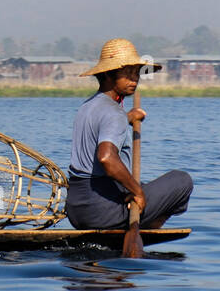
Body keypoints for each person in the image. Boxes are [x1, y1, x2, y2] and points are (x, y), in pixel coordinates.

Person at [65, 38, 193, 230]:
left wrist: (128, 117)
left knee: (138, 184)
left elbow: (105, 124)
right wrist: (138, 192)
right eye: (127, 74)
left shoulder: (88, 106)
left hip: (76, 210)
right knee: (182, 181)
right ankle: (146, 229)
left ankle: (137, 219)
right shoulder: (113, 112)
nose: (135, 79)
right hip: (99, 211)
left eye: (136, 73)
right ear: (108, 74)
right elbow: (107, 157)